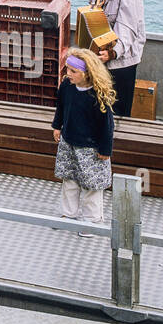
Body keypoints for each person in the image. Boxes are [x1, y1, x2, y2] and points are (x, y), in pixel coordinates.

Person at [51, 48, 115, 233]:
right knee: (69, 180)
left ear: (87, 73)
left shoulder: (97, 95)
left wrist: (105, 149)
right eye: (67, 69)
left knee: (91, 186)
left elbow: (107, 126)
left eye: (73, 71)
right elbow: (61, 107)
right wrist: (57, 126)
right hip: (69, 141)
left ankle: (91, 221)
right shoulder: (66, 87)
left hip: (91, 148)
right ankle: (68, 214)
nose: (68, 74)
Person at [88, 0, 145, 118]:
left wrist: (112, 53)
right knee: (98, 106)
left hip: (121, 62)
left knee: (118, 111)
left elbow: (127, 30)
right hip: (101, 56)